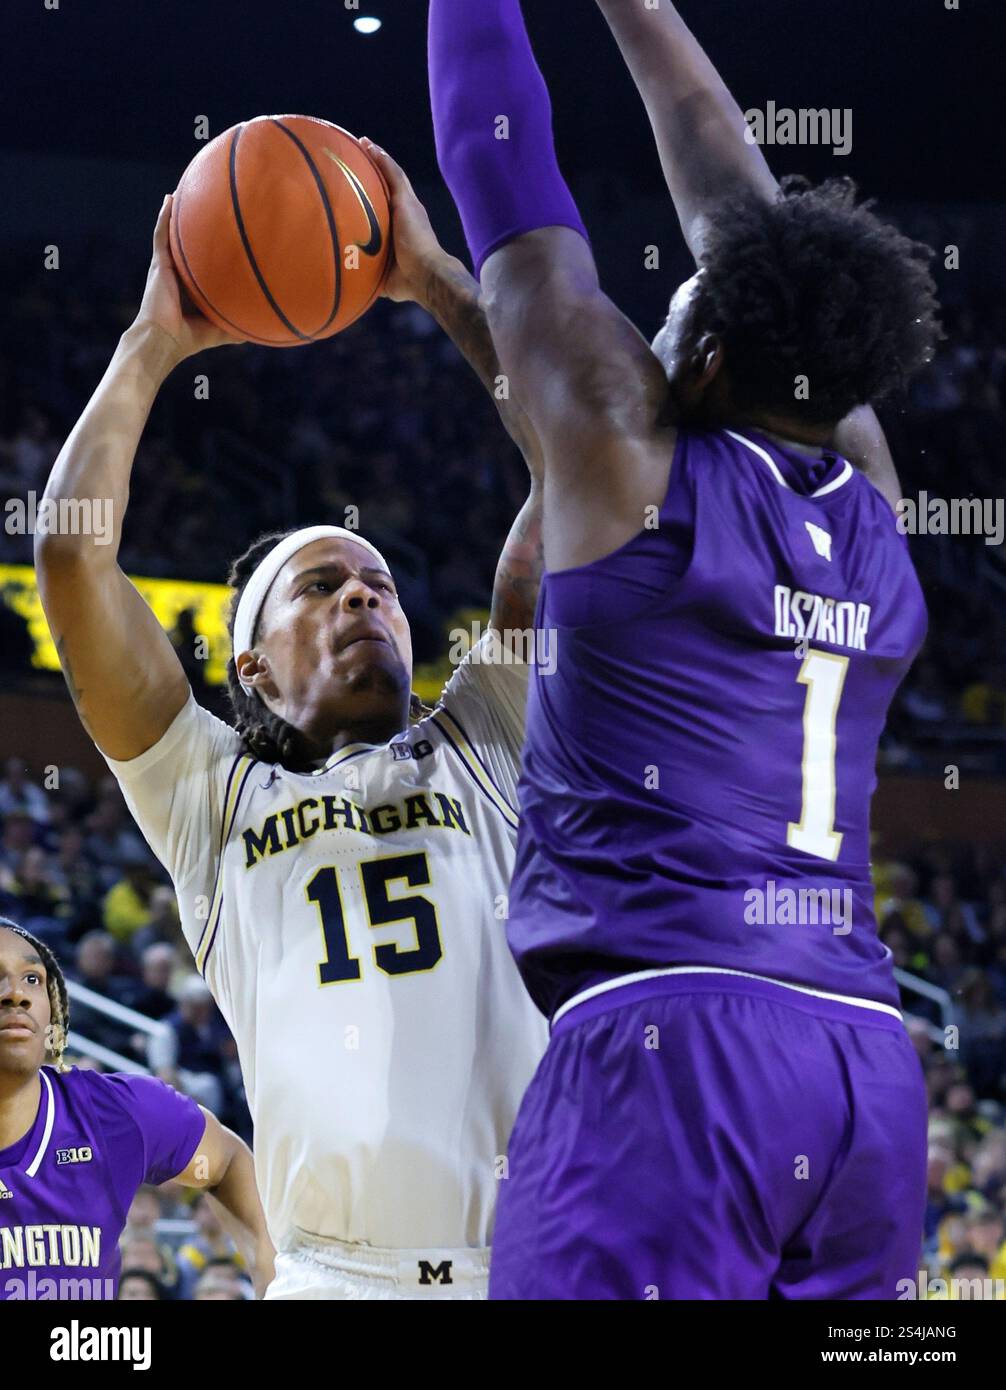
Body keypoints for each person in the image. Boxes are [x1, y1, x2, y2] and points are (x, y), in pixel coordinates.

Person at [429, 0, 940, 1298]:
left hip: (670, 1049)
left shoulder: (619, 456)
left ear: (702, 361)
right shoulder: (869, 505)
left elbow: (499, 168)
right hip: (862, 1068)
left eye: (670, 325)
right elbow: (738, 202)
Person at [36, 158, 549, 1299]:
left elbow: (579, 467)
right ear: (253, 665)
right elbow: (73, 553)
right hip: (331, 1279)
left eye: (379, 584)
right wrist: (154, 340)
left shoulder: (486, 737)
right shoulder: (209, 795)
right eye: (321, 585)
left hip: (531, 1271)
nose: (365, 597)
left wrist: (439, 287)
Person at [0, 918, 272, 1300]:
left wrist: (268, 1271)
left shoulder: (112, 1112)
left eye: (32, 979)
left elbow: (224, 1164)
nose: (16, 994)